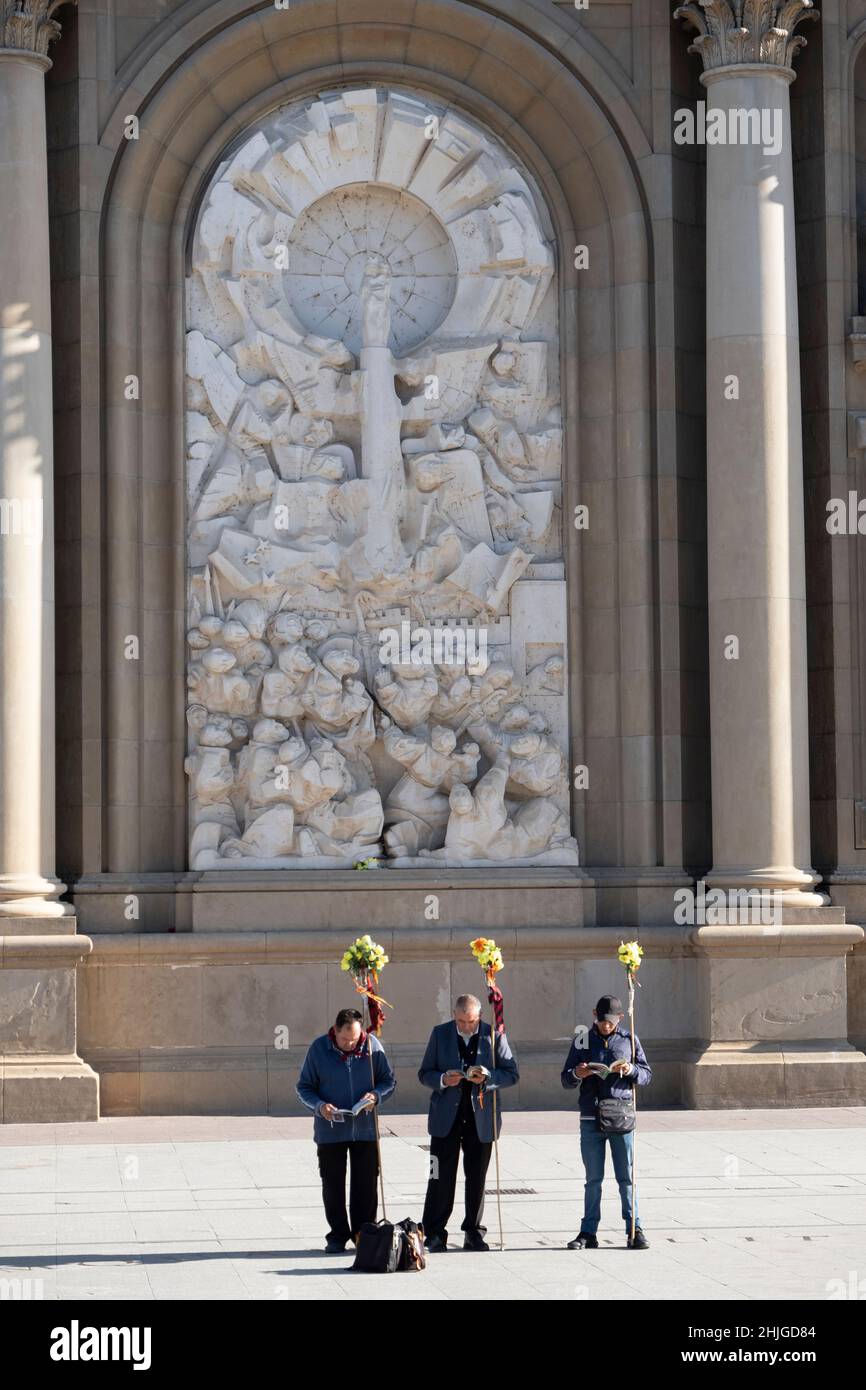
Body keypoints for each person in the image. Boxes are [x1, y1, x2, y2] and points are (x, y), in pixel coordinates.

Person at [419, 994, 519, 1251]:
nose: (466, 1027)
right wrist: (443, 1079)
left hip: (480, 1118)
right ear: (454, 1014)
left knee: (477, 1177)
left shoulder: (494, 1035)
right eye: (461, 1021)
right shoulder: (440, 1034)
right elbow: (425, 1072)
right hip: (446, 1118)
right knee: (439, 1176)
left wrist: (487, 1077)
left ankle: (473, 1231)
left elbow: (511, 1073)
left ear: (480, 1016)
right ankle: (434, 1232)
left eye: (471, 1021)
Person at [297, 1007, 396, 1253]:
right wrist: (320, 1106)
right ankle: (337, 1235)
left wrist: (375, 1095)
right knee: (333, 1185)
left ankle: (364, 1234)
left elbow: (388, 1081)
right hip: (331, 1129)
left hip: (365, 1129)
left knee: (366, 1185)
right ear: (335, 1031)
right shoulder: (319, 1049)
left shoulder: (373, 1047)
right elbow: (304, 1087)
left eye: (354, 1039)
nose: (350, 1044)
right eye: (345, 1039)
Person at [561, 994, 652, 1250]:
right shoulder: (582, 1040)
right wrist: (577, 1073)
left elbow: (646, 1074)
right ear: (594, 1015)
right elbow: (565, 1079)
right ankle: (588, 1231)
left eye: (611, 1022)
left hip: (621, 1115)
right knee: (593, 1179)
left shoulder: (629, 1039)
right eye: (602, 1021)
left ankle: (634, 1228)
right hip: (591, 1116)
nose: (606, 1026)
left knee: (626, 1178)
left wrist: (630, 1070)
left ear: (620, 1018)